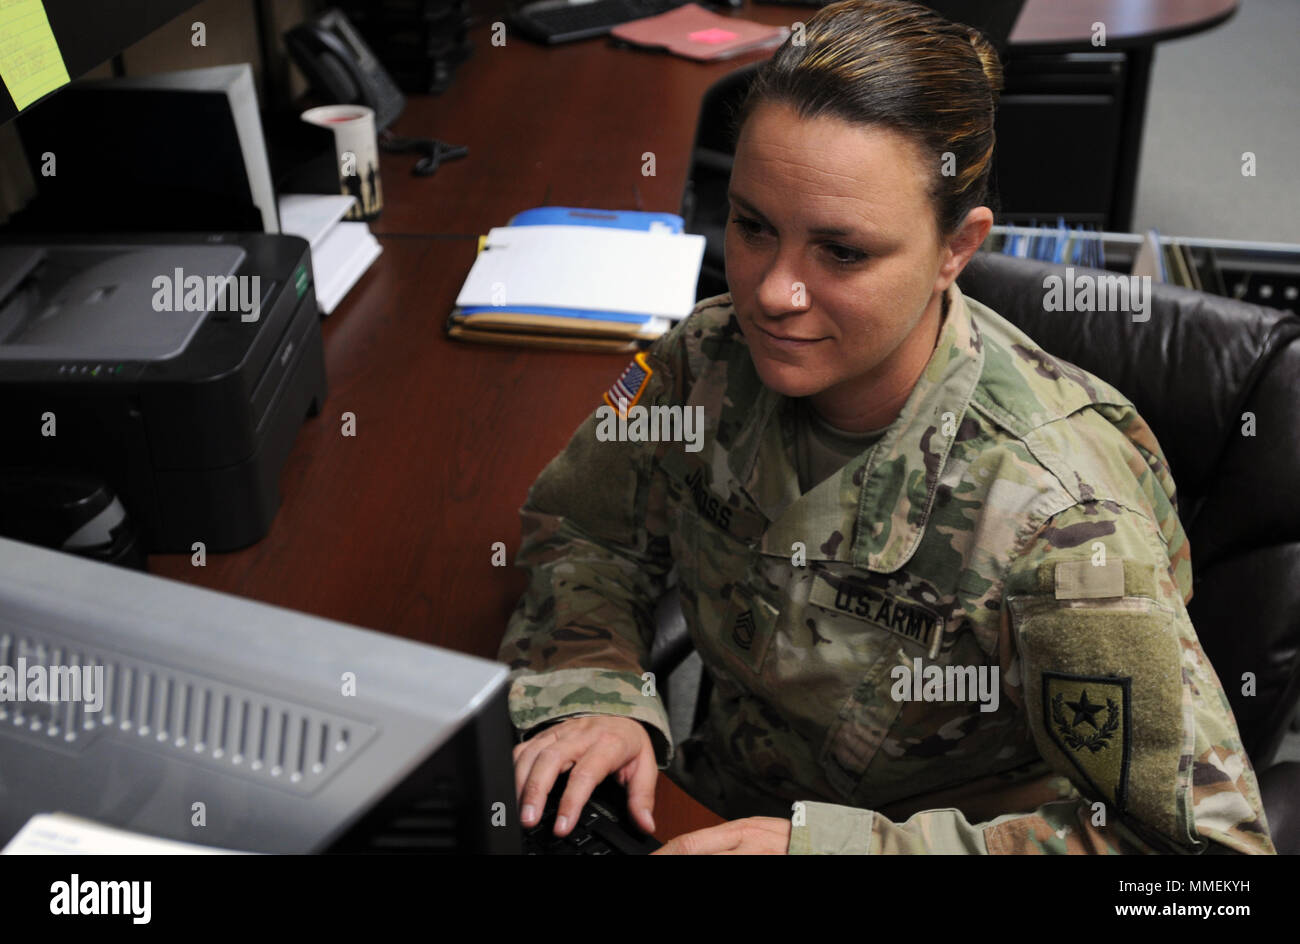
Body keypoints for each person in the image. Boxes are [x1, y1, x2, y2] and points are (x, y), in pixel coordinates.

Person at [498, 0, 1276, 854]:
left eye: (841, 252)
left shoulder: (1063, 524)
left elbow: (1205, 860)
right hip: (702, 811)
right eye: (753, 226)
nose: (770, 292)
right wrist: (599, 694)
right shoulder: (707, 359)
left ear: (957, 247)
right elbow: (583, 530)